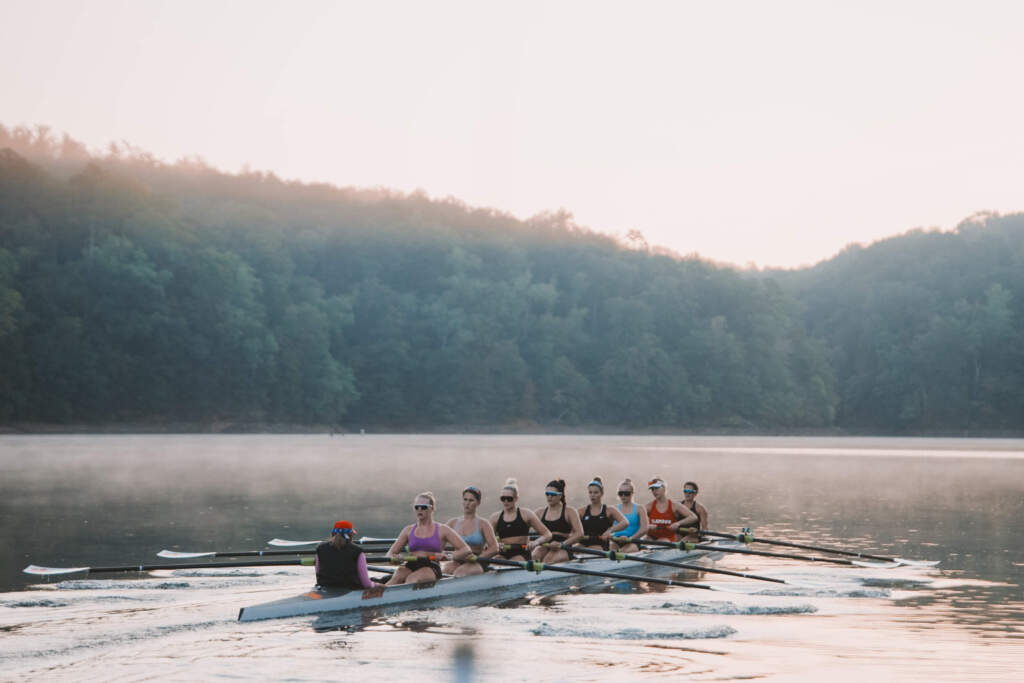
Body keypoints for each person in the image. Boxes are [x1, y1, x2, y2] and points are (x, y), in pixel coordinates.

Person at [386, 492, 472, 585]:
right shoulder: (408, 530)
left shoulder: (442, 529)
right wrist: (394, 558)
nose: (419, 509)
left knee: (412, 579)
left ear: (432, 508)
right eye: (416, 507)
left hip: (431, 566)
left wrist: (450, 557)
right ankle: (379, 596)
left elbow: (466, 549)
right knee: (398, 575)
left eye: (423, 507)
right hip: (411, 564)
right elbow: (390, 553)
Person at [489, 478, 551, 561]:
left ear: (516, 498)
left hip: (522, 553)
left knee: (514, 560)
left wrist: (536, 542)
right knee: (496, 561)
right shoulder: (495, 518)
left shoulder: (526, 514)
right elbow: (488, 541)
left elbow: (547, 534)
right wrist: (496, 544)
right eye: (503, 498)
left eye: (509, 499)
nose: (506, 501)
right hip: (502, 553)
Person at [443, 485, 499, 577]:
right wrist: (440, 552)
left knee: (460, 573)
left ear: (478, 503)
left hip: (477, 561)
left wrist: (478, 558)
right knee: (445, 570)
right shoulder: (452, 523)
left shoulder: (483, 523)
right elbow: (437, 543)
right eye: (465, 500)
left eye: (471, 500)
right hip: (457, 560)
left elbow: (494, 548)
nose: (467, 503)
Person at [315, 520, 386, 590]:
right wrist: (377, 585)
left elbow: (318, 574)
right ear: (351, 535)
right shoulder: (357, 551)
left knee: (374, 579)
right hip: (350, 589)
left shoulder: (320, 548)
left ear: (332, 534)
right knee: (386, 579)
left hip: (325, 587)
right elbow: (366, 584)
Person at [532, 478, 583, 564]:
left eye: (552, 494)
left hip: (564, 547)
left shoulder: (569, 511)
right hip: (545, 545)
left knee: (548, 560)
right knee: (535, 556)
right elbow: (523, 529)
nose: (549, 497)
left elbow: (579, 534)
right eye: (547, 494)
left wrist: (562, 544)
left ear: (560, 495)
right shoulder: (539, 512)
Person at [577, 477, 628, 549]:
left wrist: (609, 531)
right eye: (590, 492)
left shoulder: (609, 510)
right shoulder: (582, 511)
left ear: (602, 493)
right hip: (583, 545)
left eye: (595, 492)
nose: (592, 495)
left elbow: (625, 522)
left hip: (601, 546)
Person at [645, 475, 699, 541]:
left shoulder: (674, 505)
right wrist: (646, 525)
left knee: (663, 540)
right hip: (652, 537)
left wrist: (678, 523)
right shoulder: (648, 506)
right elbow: (635, 520)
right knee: (647, 539)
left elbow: (693, 517)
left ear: (664, 488)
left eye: (656, 488)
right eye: (652, 489)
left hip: (668, 538)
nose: (654, 491)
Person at [610, 477, 649, 553]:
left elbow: (644, 529)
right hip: (615, 540)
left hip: (633, 541)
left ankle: (618, 555)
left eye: (626, 494)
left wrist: (630, 538)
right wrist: (610, 535)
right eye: (621, 494)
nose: (623, 496)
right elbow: (608, 528)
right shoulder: (614, 509)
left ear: (632, 493)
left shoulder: (640, 508)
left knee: (628, 550)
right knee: (611, 547)